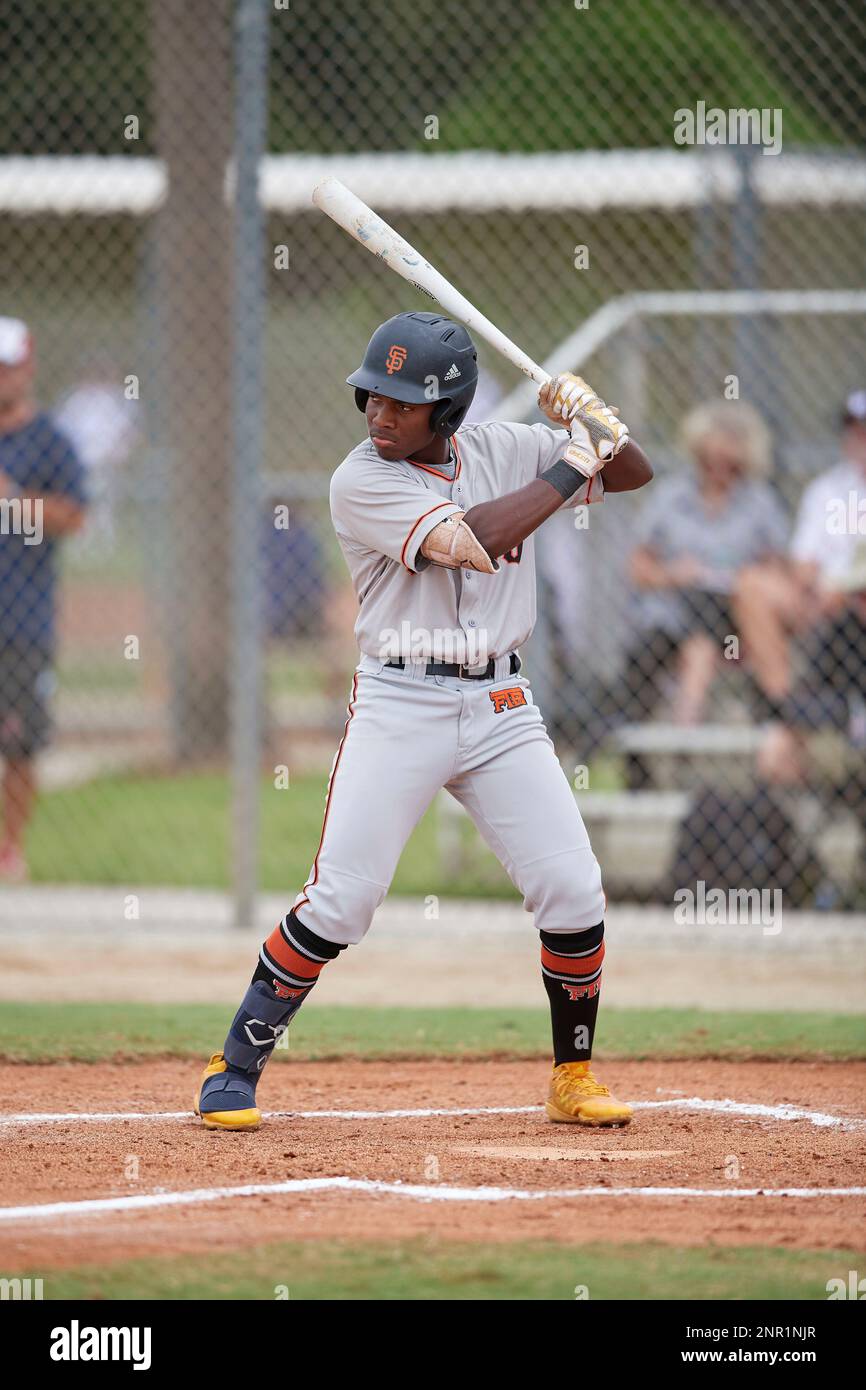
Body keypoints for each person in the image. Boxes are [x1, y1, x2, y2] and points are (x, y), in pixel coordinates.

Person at [194, 310, 652, 1131]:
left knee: (573, 888)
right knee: (342, 902)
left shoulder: (509, 448)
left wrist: (597, 419)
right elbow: (477, 539)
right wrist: (578, 455)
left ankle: (573, 1075)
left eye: (402, 403)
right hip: (400, 702)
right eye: (373, 396)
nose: (380, 414)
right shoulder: (359, 479)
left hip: (501, 702)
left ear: (448, 410)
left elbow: (633, 473)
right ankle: (234, 1064)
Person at [624, 399, 788, 728]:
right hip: (675, 612)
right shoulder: (671, 497)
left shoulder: (759, 502)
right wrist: (673, 574)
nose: (718, 471)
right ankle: (653, 741)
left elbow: (779, 570)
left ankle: (688, 734)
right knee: (693, 641)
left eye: (729, 463)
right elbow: (637, 568)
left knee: (704, 638)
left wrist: (744, 577)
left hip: (734, 618)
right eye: (710, 461)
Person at [0, 318, 88, 881]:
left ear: (28, 368)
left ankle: (8, 851)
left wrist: (13, 501)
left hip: (21, 619)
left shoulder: (50, 441)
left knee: (19, 745)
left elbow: (73, 515)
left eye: (9, 366)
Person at [734, 390, 866, 717]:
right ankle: (788, 706)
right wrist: (828, 588)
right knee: (752, 585)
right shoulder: (828, 490)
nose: (860, 440)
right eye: (855, 431)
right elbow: (805, 565)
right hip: (828, 599)